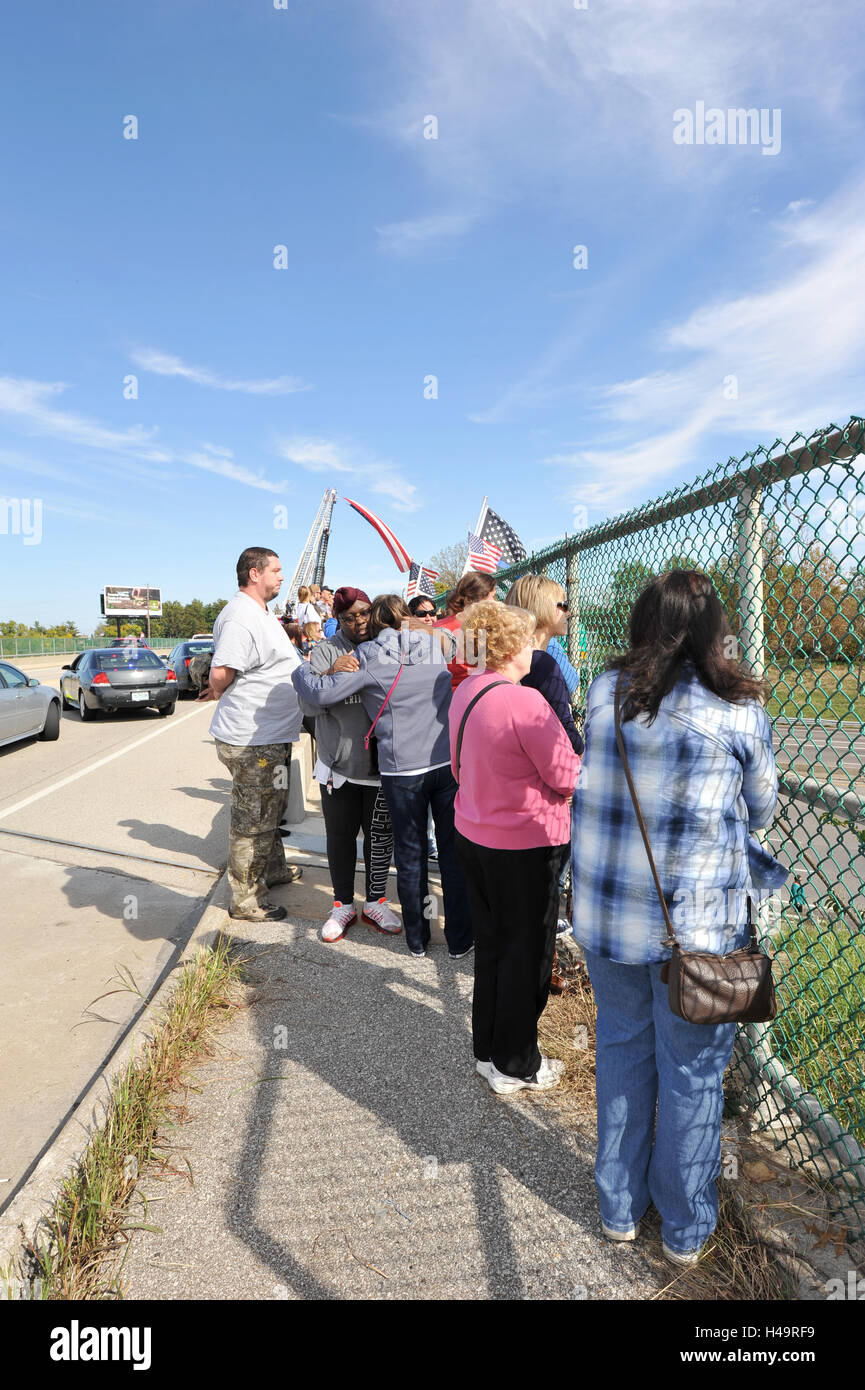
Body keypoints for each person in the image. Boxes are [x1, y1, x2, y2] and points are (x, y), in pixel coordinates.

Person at [571, 569, 788, 1265]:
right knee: (692, 1074)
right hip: (696, 933)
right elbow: (762, 808)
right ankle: (685, 1229)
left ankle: (617, 1208)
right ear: (712, 631)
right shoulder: (736, 709)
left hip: (606, 917)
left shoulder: (604, 692)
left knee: (621, 1051)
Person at [292, 594, 473, 959]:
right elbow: (460, 644)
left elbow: (317, 693)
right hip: (443, 764)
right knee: (453, 855)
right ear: (407, 617)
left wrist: (302, 668)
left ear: (373, 622)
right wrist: (426, 626)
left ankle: (418, 940)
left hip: (401, 770)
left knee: (410, 854)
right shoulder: (436, 644)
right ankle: (459, 940)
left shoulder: (369, 656)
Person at [450, 600, 580, 1094]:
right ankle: (518, 1061)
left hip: (474, 833)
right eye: (527, 641)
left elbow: (459, 764)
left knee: (495, 947)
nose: (534, 650)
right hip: (527, 842)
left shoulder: (467, 691)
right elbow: (566, 777)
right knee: (528, 955)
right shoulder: (525, 702)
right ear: (509, 647)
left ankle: (488, 1049)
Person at [198, 547, 303, 922]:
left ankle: (271, 871)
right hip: (252, 741)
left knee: (271, 808)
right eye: (276, 570)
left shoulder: (259, 612)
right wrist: (217, 686)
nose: (281, 576)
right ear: (254, 573)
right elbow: (221, 673)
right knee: (252, 820)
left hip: (270, 736)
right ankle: (246, 900)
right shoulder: (241, 616)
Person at [294, 585, 400, 943]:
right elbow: (309, 706)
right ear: (337, 619)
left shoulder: (387, 645)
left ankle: (375, 901)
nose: (358, 621)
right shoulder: (325, 651)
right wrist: (330, 674)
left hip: (379, 764)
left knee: (378, 837)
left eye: (364, 613)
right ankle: (341, 904)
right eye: (349, 616)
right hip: (339, 764)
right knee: (339, 837)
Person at [435, 570, 496, 689]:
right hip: (476, 692)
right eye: (492, 596)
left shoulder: (438, 627)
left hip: (442, 696)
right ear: (481, 597)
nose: (494, 601)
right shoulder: (486, 628)